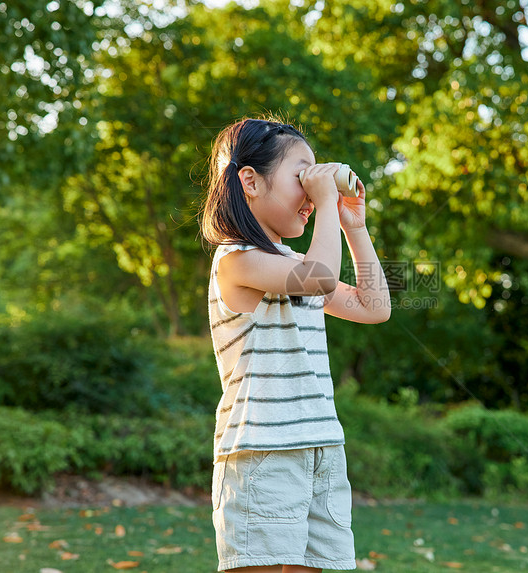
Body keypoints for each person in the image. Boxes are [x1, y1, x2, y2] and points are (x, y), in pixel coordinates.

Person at [199, 117, 391, 573]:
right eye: (302, 175)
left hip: (320, 446)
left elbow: (373, 306)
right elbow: (319, 278)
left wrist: (352, 226)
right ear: (250, 181)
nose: (311, 190)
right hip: (263, 451)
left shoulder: (295, 263)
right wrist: (326, 203)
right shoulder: (236, 260)